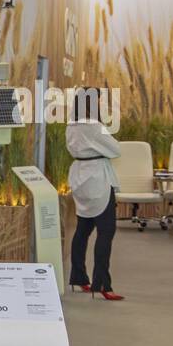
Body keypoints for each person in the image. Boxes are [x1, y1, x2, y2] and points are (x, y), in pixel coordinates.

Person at [66, 94, 124, 299]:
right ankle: (103, 285)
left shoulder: (71, 124)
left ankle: (79, 278)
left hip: (80, 177)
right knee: (106, 230)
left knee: (83, 229)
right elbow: (115, 149)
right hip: (98, 179)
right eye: (99, 100)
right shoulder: (94, 125)